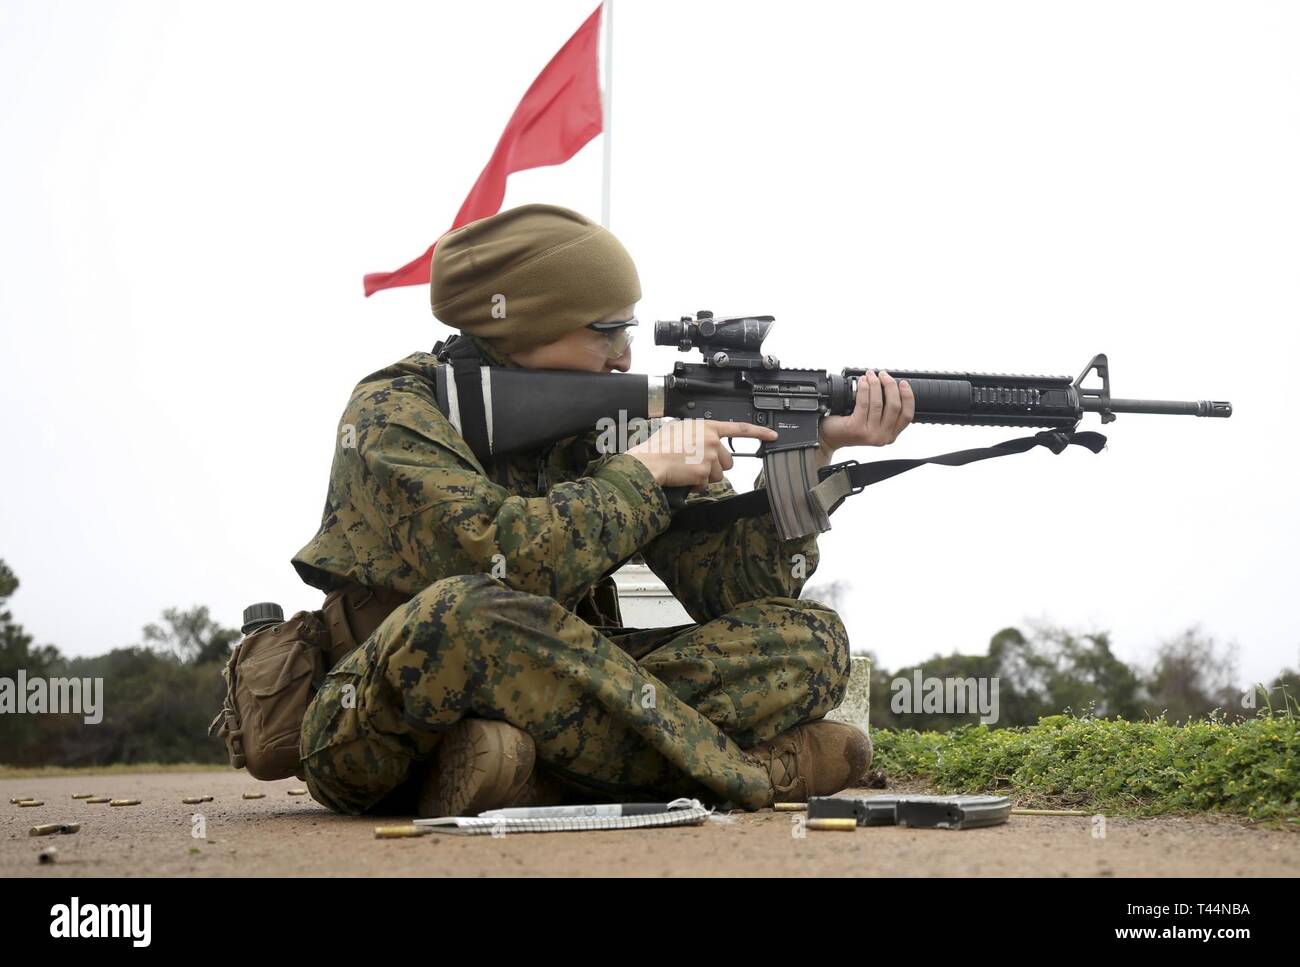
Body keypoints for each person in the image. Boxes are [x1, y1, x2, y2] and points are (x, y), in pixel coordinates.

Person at [292, 204, 915, 816]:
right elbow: (494, 562)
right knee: (461, 612)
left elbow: (738, 591)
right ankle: (741, 775)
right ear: (530, 323)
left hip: (559, 700)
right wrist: (642, 476)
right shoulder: (395, 410)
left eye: (629, 331)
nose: (623, 354)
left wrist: (811, 455)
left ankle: (528, 776)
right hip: (377, 725)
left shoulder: (609, 420)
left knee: (811, 638)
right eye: (606, 330)